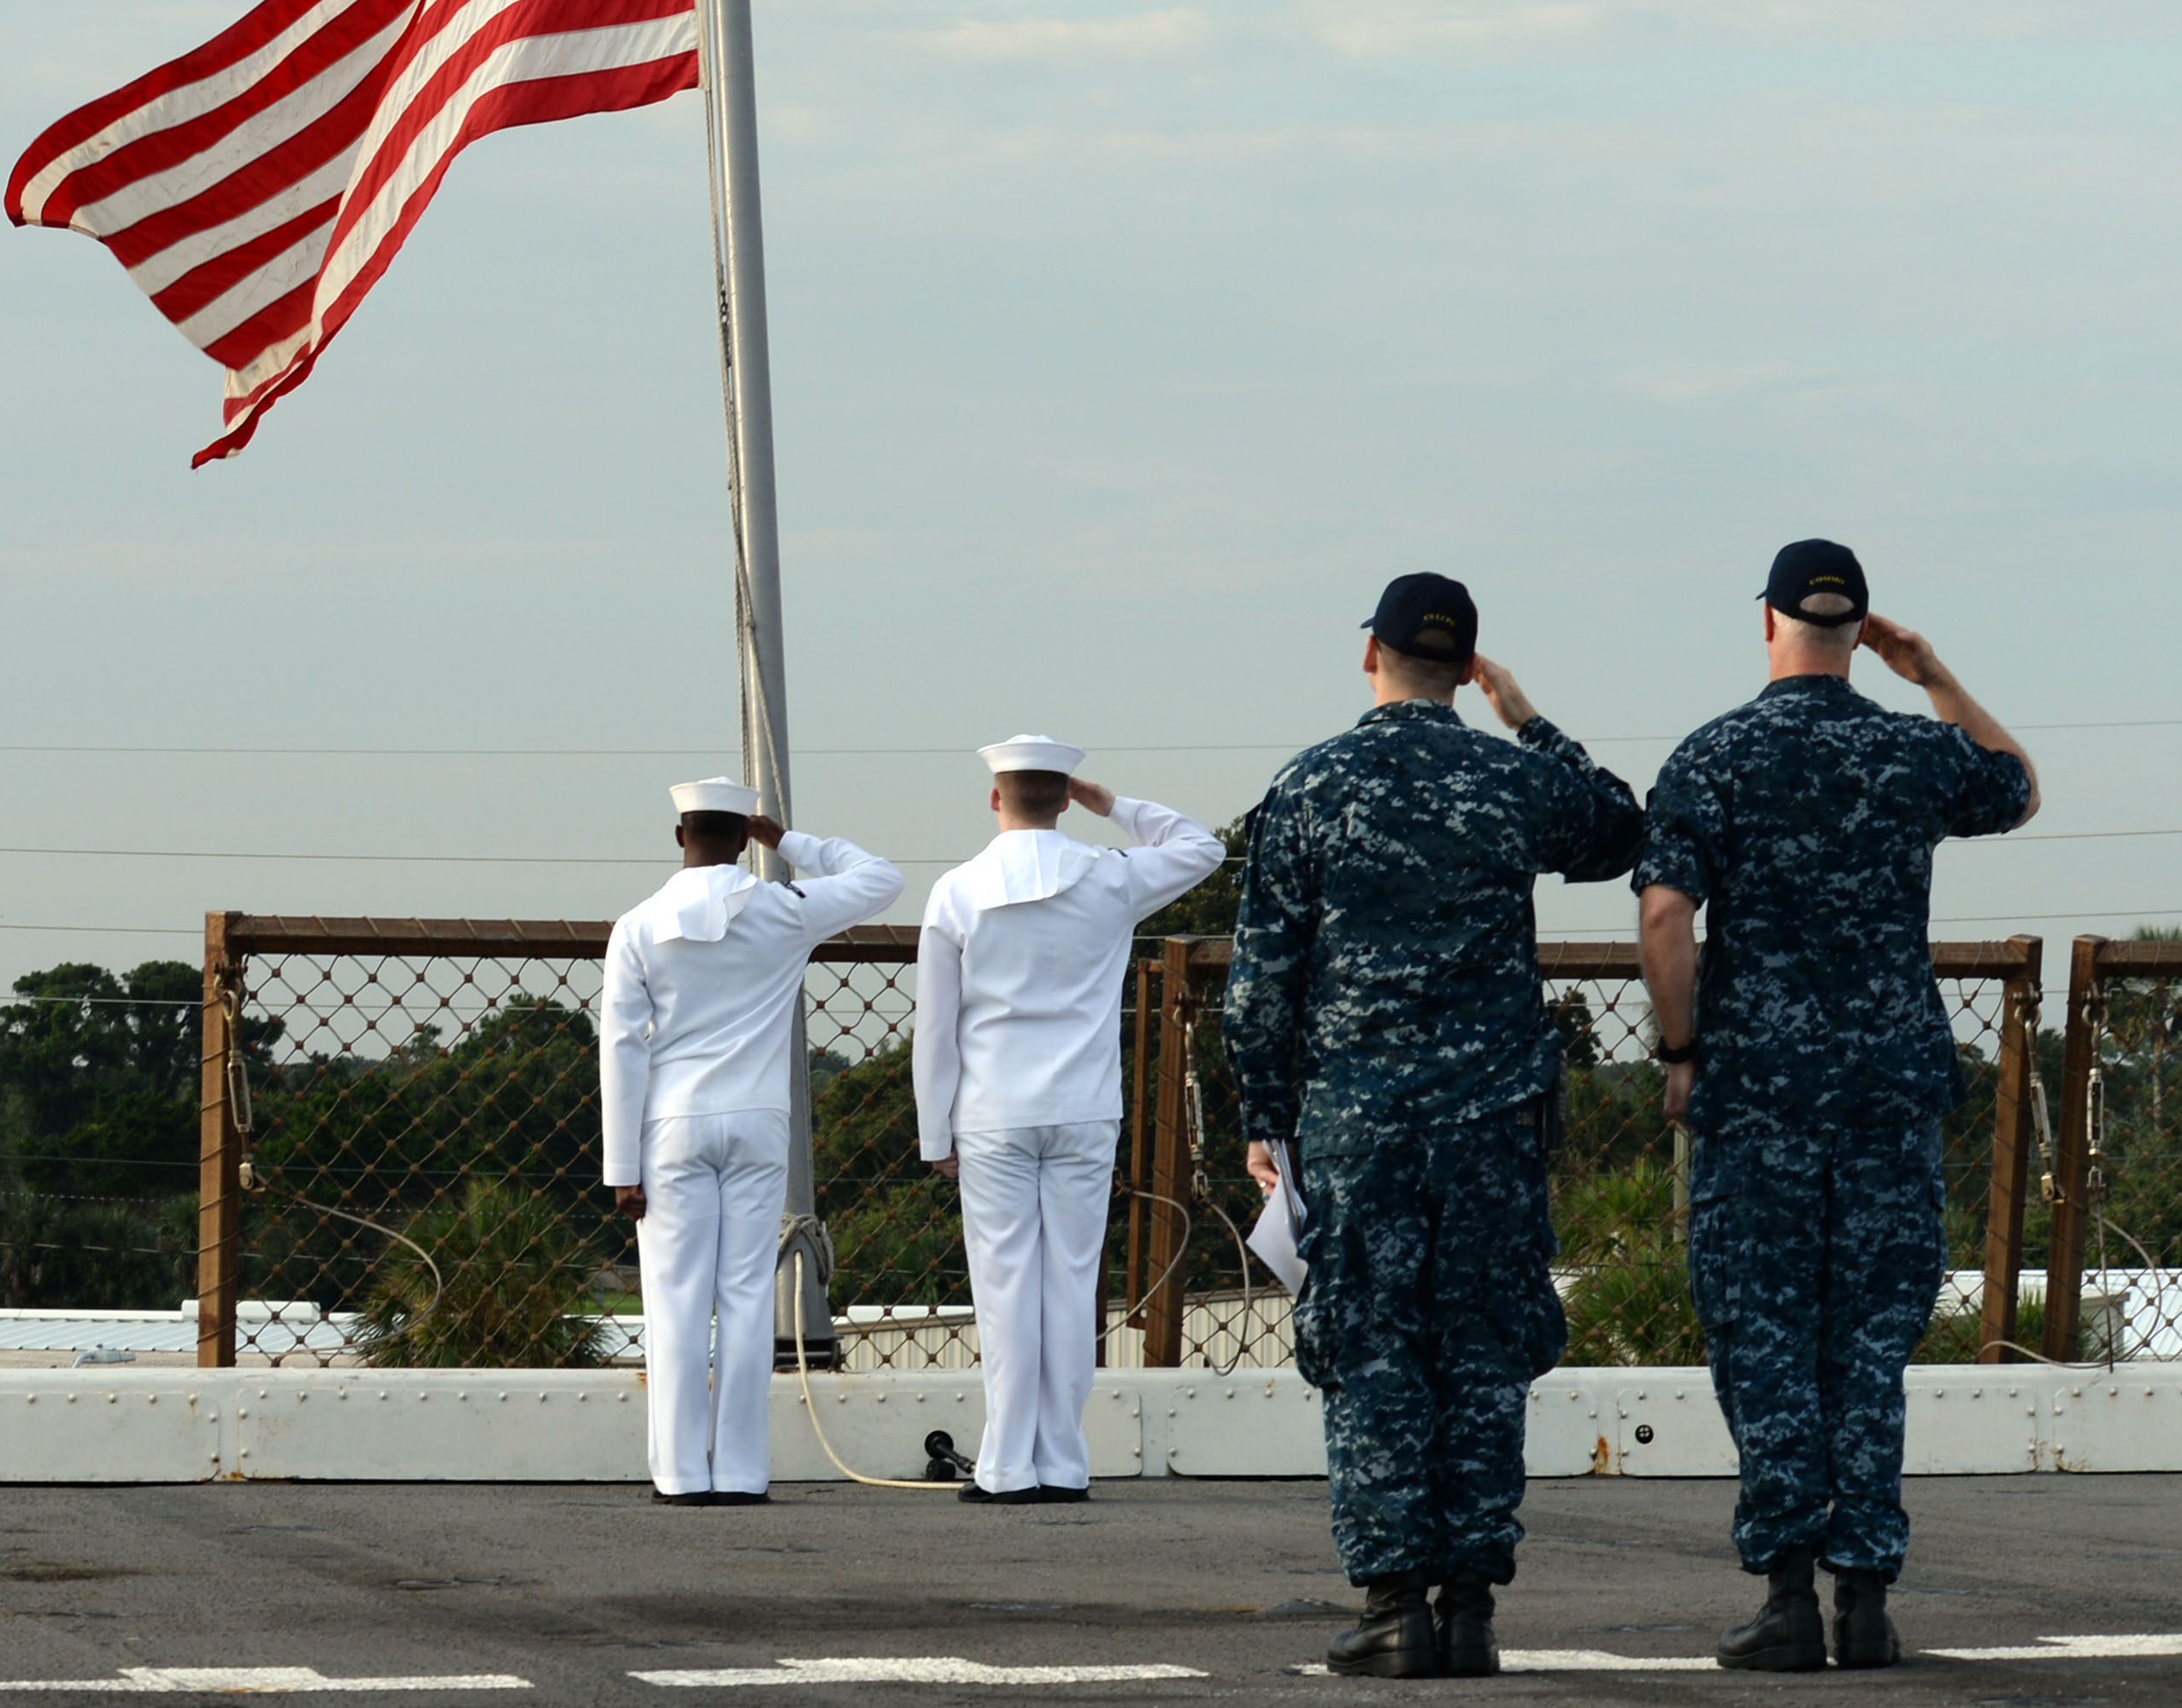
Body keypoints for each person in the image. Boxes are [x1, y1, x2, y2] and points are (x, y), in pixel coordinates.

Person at [1228, 572, 1646, 1680]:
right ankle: (1467, 1606)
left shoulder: (1311, 784)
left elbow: (1260, 980)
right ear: (1467, 666)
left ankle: (1389, 1602)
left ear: (1367, 652)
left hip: (1359, 1120)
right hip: (1491, 1124)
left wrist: (1263, 1114)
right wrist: (1527, 718)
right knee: (1480, 1350)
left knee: (1371, 1351)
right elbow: (1617, 825)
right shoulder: (1508, 780)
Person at [1638, 541, 2039, 1674]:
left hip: (1758, 1097)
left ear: (1765, 620)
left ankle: (1785, 1598)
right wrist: (1933, 676)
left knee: (1762, 1339)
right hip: (1887, 1092)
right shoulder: (1909, 751)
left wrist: (1682, 1049)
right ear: (1861, 630)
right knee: (1868, 1344)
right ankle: (1864, 1598)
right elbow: (2015, 783)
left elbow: (1668, 914)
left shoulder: (1715, 756)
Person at [913, 733, 1225, 1504]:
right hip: (1085, 1108)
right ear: (1063, 797)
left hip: (992, 1112)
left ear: (995, 798)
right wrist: (1111, 804)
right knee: (1072, 1280)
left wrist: (934, 1133)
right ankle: (1063, 1459)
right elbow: (1200, 848)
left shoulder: (955, 890)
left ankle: (1007, 1464)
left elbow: (936, 1027)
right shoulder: (1109, 875)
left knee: (1006, 1286)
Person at [602, 780, 902, 1504]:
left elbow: (621, 1045)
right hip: (760, 1121)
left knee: (675, 1300)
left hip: (671, 1124)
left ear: (680, 837)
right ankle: (739, 1471)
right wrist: (790, 843)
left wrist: (621, 1164)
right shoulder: (784, 909)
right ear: (743, 838)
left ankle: (678, 1474)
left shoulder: (637, 925)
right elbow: (881, 879)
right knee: (744, 1297)